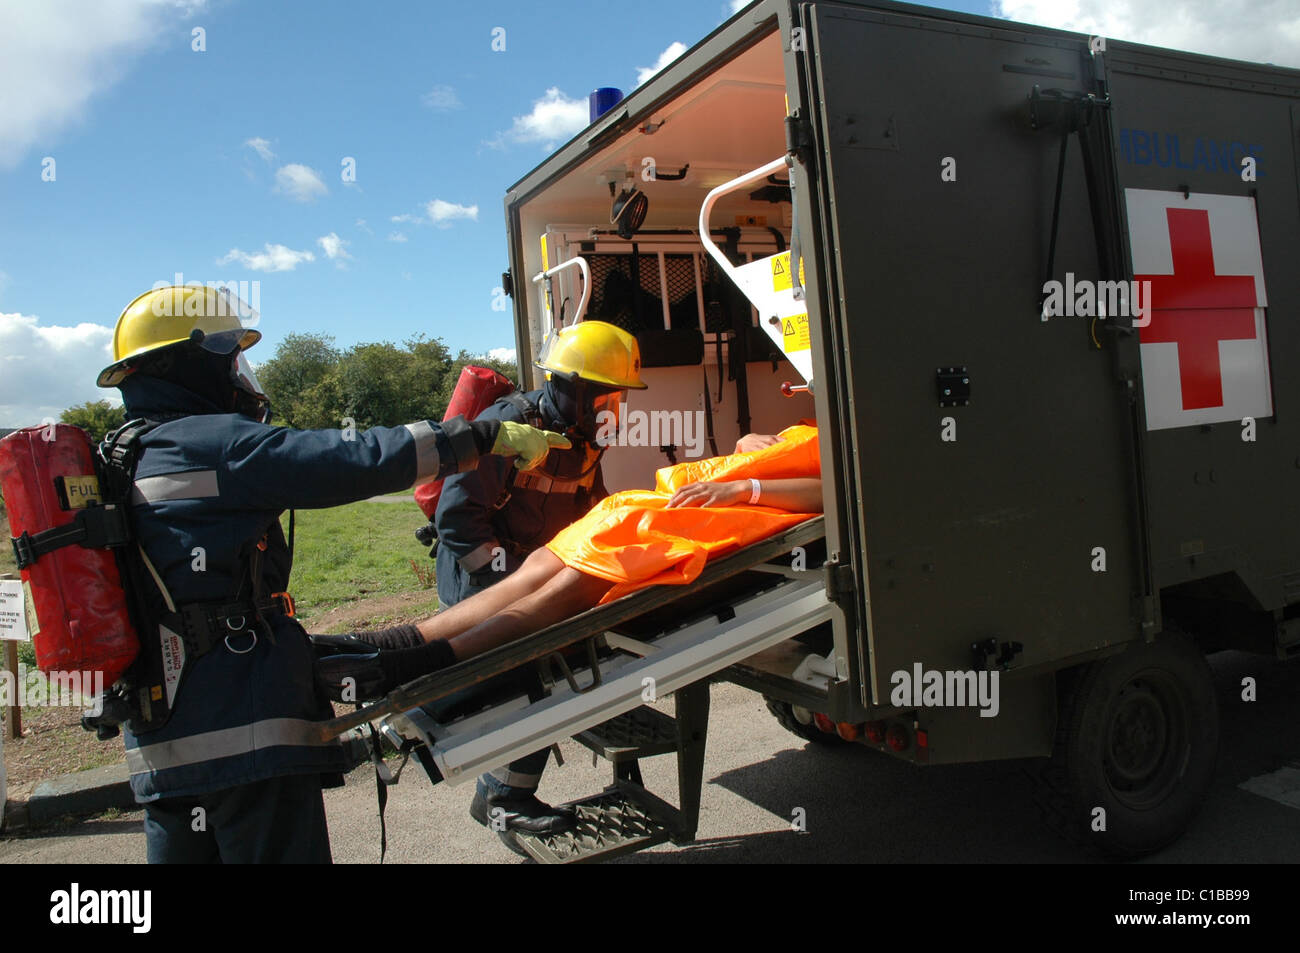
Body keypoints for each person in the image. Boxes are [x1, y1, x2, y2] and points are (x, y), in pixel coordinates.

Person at [99, 285, 566, 864]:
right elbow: (351, 458)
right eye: (227, 359)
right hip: (242, 737)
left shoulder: (125, 452)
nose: (237, 375)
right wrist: (479, 436)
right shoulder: (214, 444)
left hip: (162, 738)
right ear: (190, 363)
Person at [316, 422, 821, 696]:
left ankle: (414, 664)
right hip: (679, 501)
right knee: (545, 559)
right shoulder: (821, 422)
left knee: (581, 578)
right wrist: (748, 445)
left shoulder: (862, 442)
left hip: (735, 517)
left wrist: (747, 485)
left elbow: (834, 494)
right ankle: (388, 642)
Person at [426, 320, 645, 843]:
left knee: (542, 672)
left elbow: (588, 502)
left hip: (531, 571)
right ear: (570, 389)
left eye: (618, 397)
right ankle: (502, 797)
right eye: (605, 396)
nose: (612, 408)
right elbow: (456, 519)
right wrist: (511, 582)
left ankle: (498, 790)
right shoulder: (509, 428)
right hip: (483, 574)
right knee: (526, 676)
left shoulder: (585, 435)